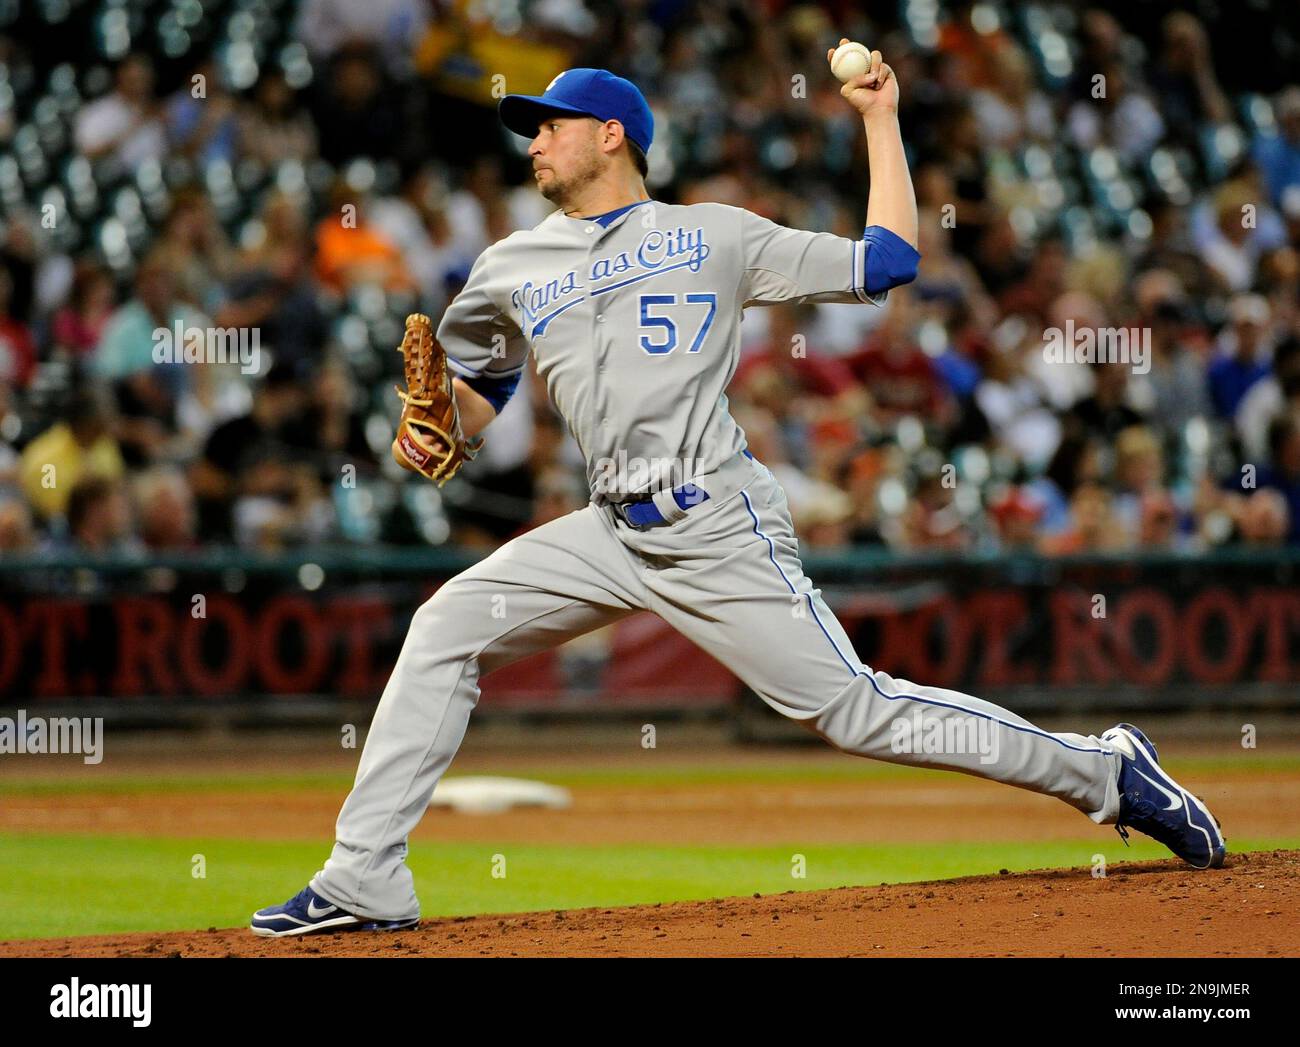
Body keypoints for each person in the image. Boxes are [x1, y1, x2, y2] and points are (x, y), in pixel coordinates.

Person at [251, 53, 1225, 938]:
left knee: (858, 712)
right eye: (531, 127)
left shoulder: (713, 234)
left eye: (550, 123)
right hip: (604, 530)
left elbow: (887, 261)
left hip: (714, 521)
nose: (533, 140)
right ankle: (364, 874)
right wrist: (443, 424)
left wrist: (879, 117)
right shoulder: (510, 264)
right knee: (444, 630)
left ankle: (1104, 771)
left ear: (611, 135)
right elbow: (479, 389)